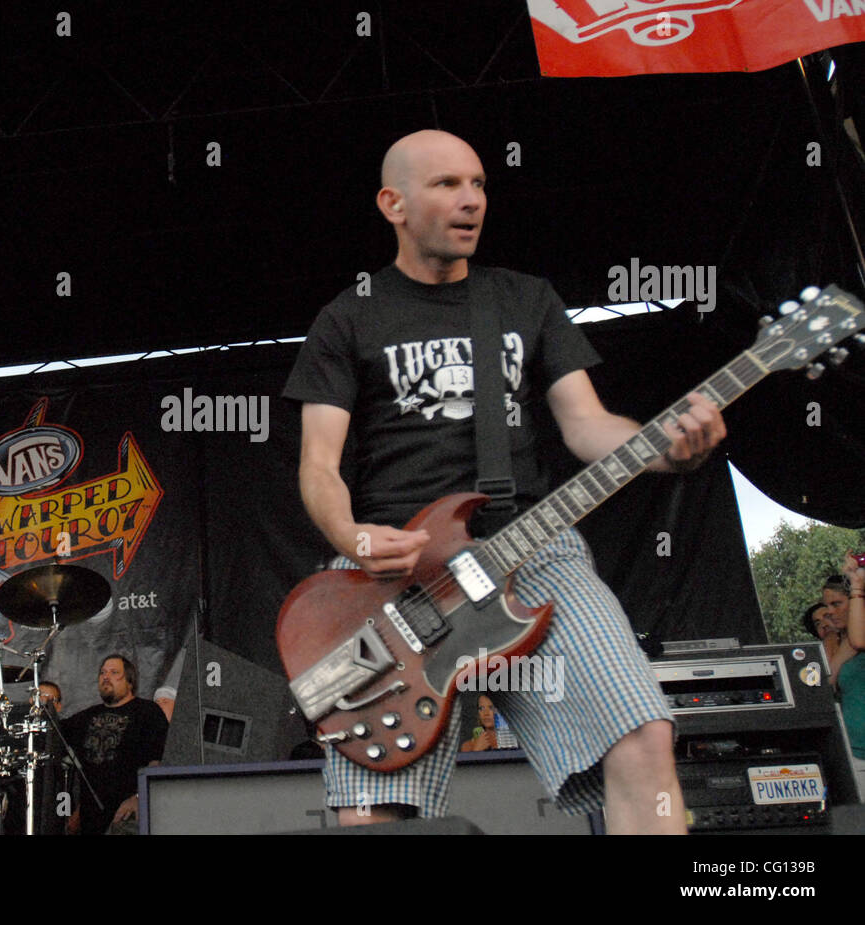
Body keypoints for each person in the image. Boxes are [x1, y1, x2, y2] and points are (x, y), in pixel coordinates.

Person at [282, 129, 725, 834]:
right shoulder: (348, 316)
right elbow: (317, 466)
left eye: (480, 184)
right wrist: (352, 535)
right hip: (392, 577)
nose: (471, 200)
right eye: (448, 184)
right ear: (392, 203)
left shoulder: (524, 300)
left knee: (644, 739)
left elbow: (587, 426)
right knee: (371, 813)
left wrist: (668, 450)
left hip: (532, 550)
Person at [62, 654, 169, 835]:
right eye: (102, 673)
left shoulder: (147, 712)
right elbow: (56, 733)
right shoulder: (86, 717)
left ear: (129, 681)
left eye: (114, 672)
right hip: (91, 819)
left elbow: (159, 759)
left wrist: (139, 797)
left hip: (128, 817)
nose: (106, 676)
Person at [836, 556, 865, 795]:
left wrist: (856, 587)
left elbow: (859, 638)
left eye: (837, 604)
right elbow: (826, 681)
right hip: (857, 753)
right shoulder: (848, 643)